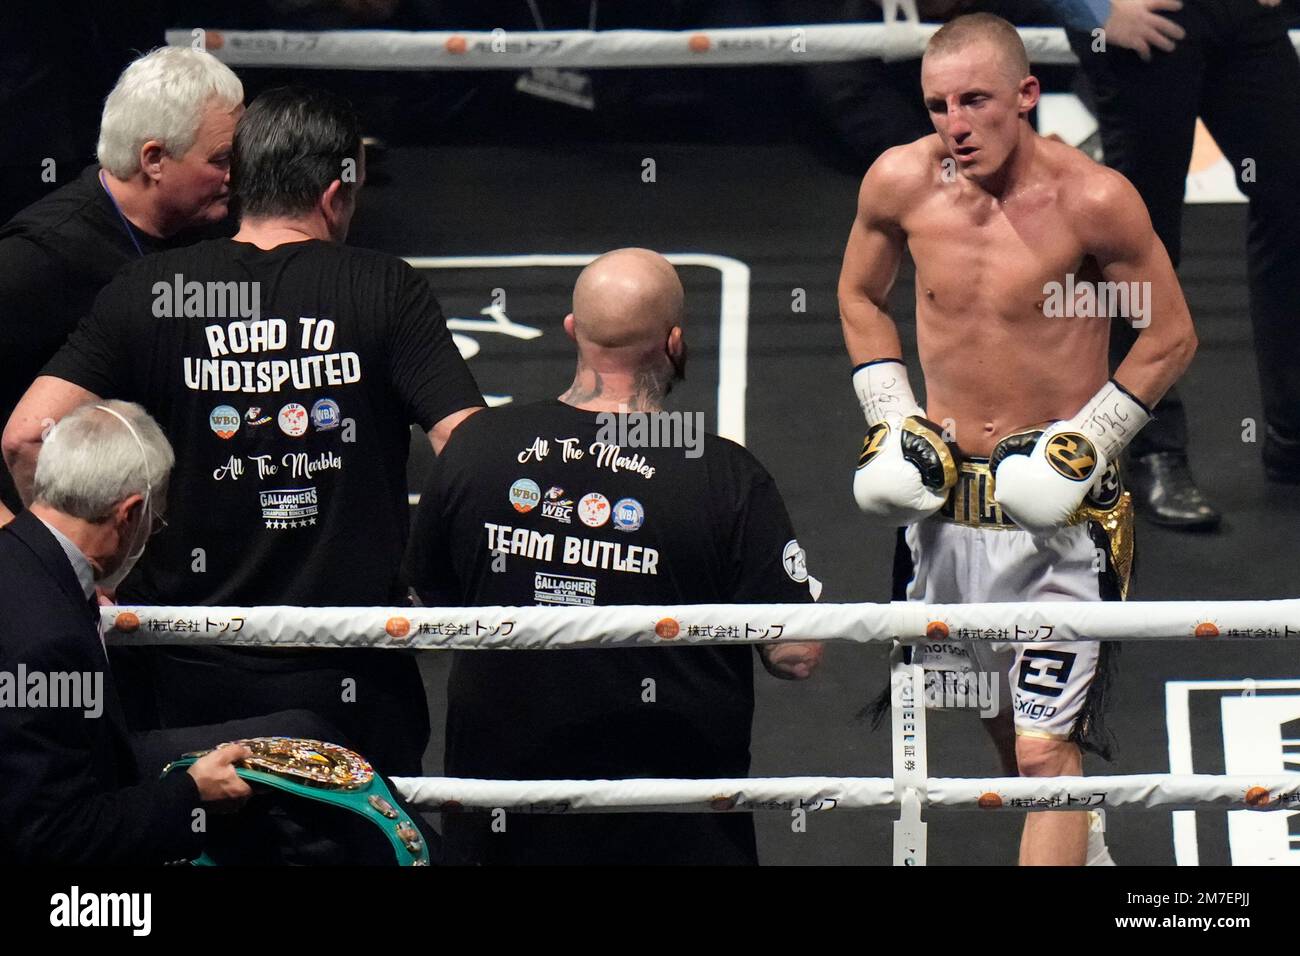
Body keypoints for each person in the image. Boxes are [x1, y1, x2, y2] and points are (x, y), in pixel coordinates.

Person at [3, 86, 485, 775]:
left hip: (182, 671)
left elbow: (26, 436)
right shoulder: (386, 288)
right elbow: (468, 456)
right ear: (333, 193)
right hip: (349, 668)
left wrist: (85, 566)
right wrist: (433, 576)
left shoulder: (149, 290)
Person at [838, 14, 1197, 864]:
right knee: (1001, 724)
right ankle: (1083, 833)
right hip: (947, 510)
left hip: (1060, 519)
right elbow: (858, 297)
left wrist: (1086, 445)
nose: (955, 125)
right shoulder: (899, 182)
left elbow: (1169, 335)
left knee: (1044, 747)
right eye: (937, 105)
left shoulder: (1094, 198)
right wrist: (893, 420)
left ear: (1028, 95)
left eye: (975, 101)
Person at [408, 248, 823, 865]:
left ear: (573, 331)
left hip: (505, 823)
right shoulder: (722, 473)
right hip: (674, 831)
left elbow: (431, 599)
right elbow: (795, 655)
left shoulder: (477, 446)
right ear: (675, 343)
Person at [1056, 0, 1300, 520]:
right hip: (1142, 12)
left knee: (1292, 199)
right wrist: (1093, 9)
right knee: (1143, 229)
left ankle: (1291, 430)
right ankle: (1150, 446)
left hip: (1237, 16)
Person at [0, 401, 255, 864]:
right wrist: (191, 793)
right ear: (131, 513)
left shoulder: (27, 569)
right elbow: (53, 835)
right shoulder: (48, 638)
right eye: (155, 520)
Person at [0, 47, 244, 524]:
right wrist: (28, 549)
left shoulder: (212, 227)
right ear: (153, 159)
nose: (236, 176)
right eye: (221, 159)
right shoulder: (37, 258)